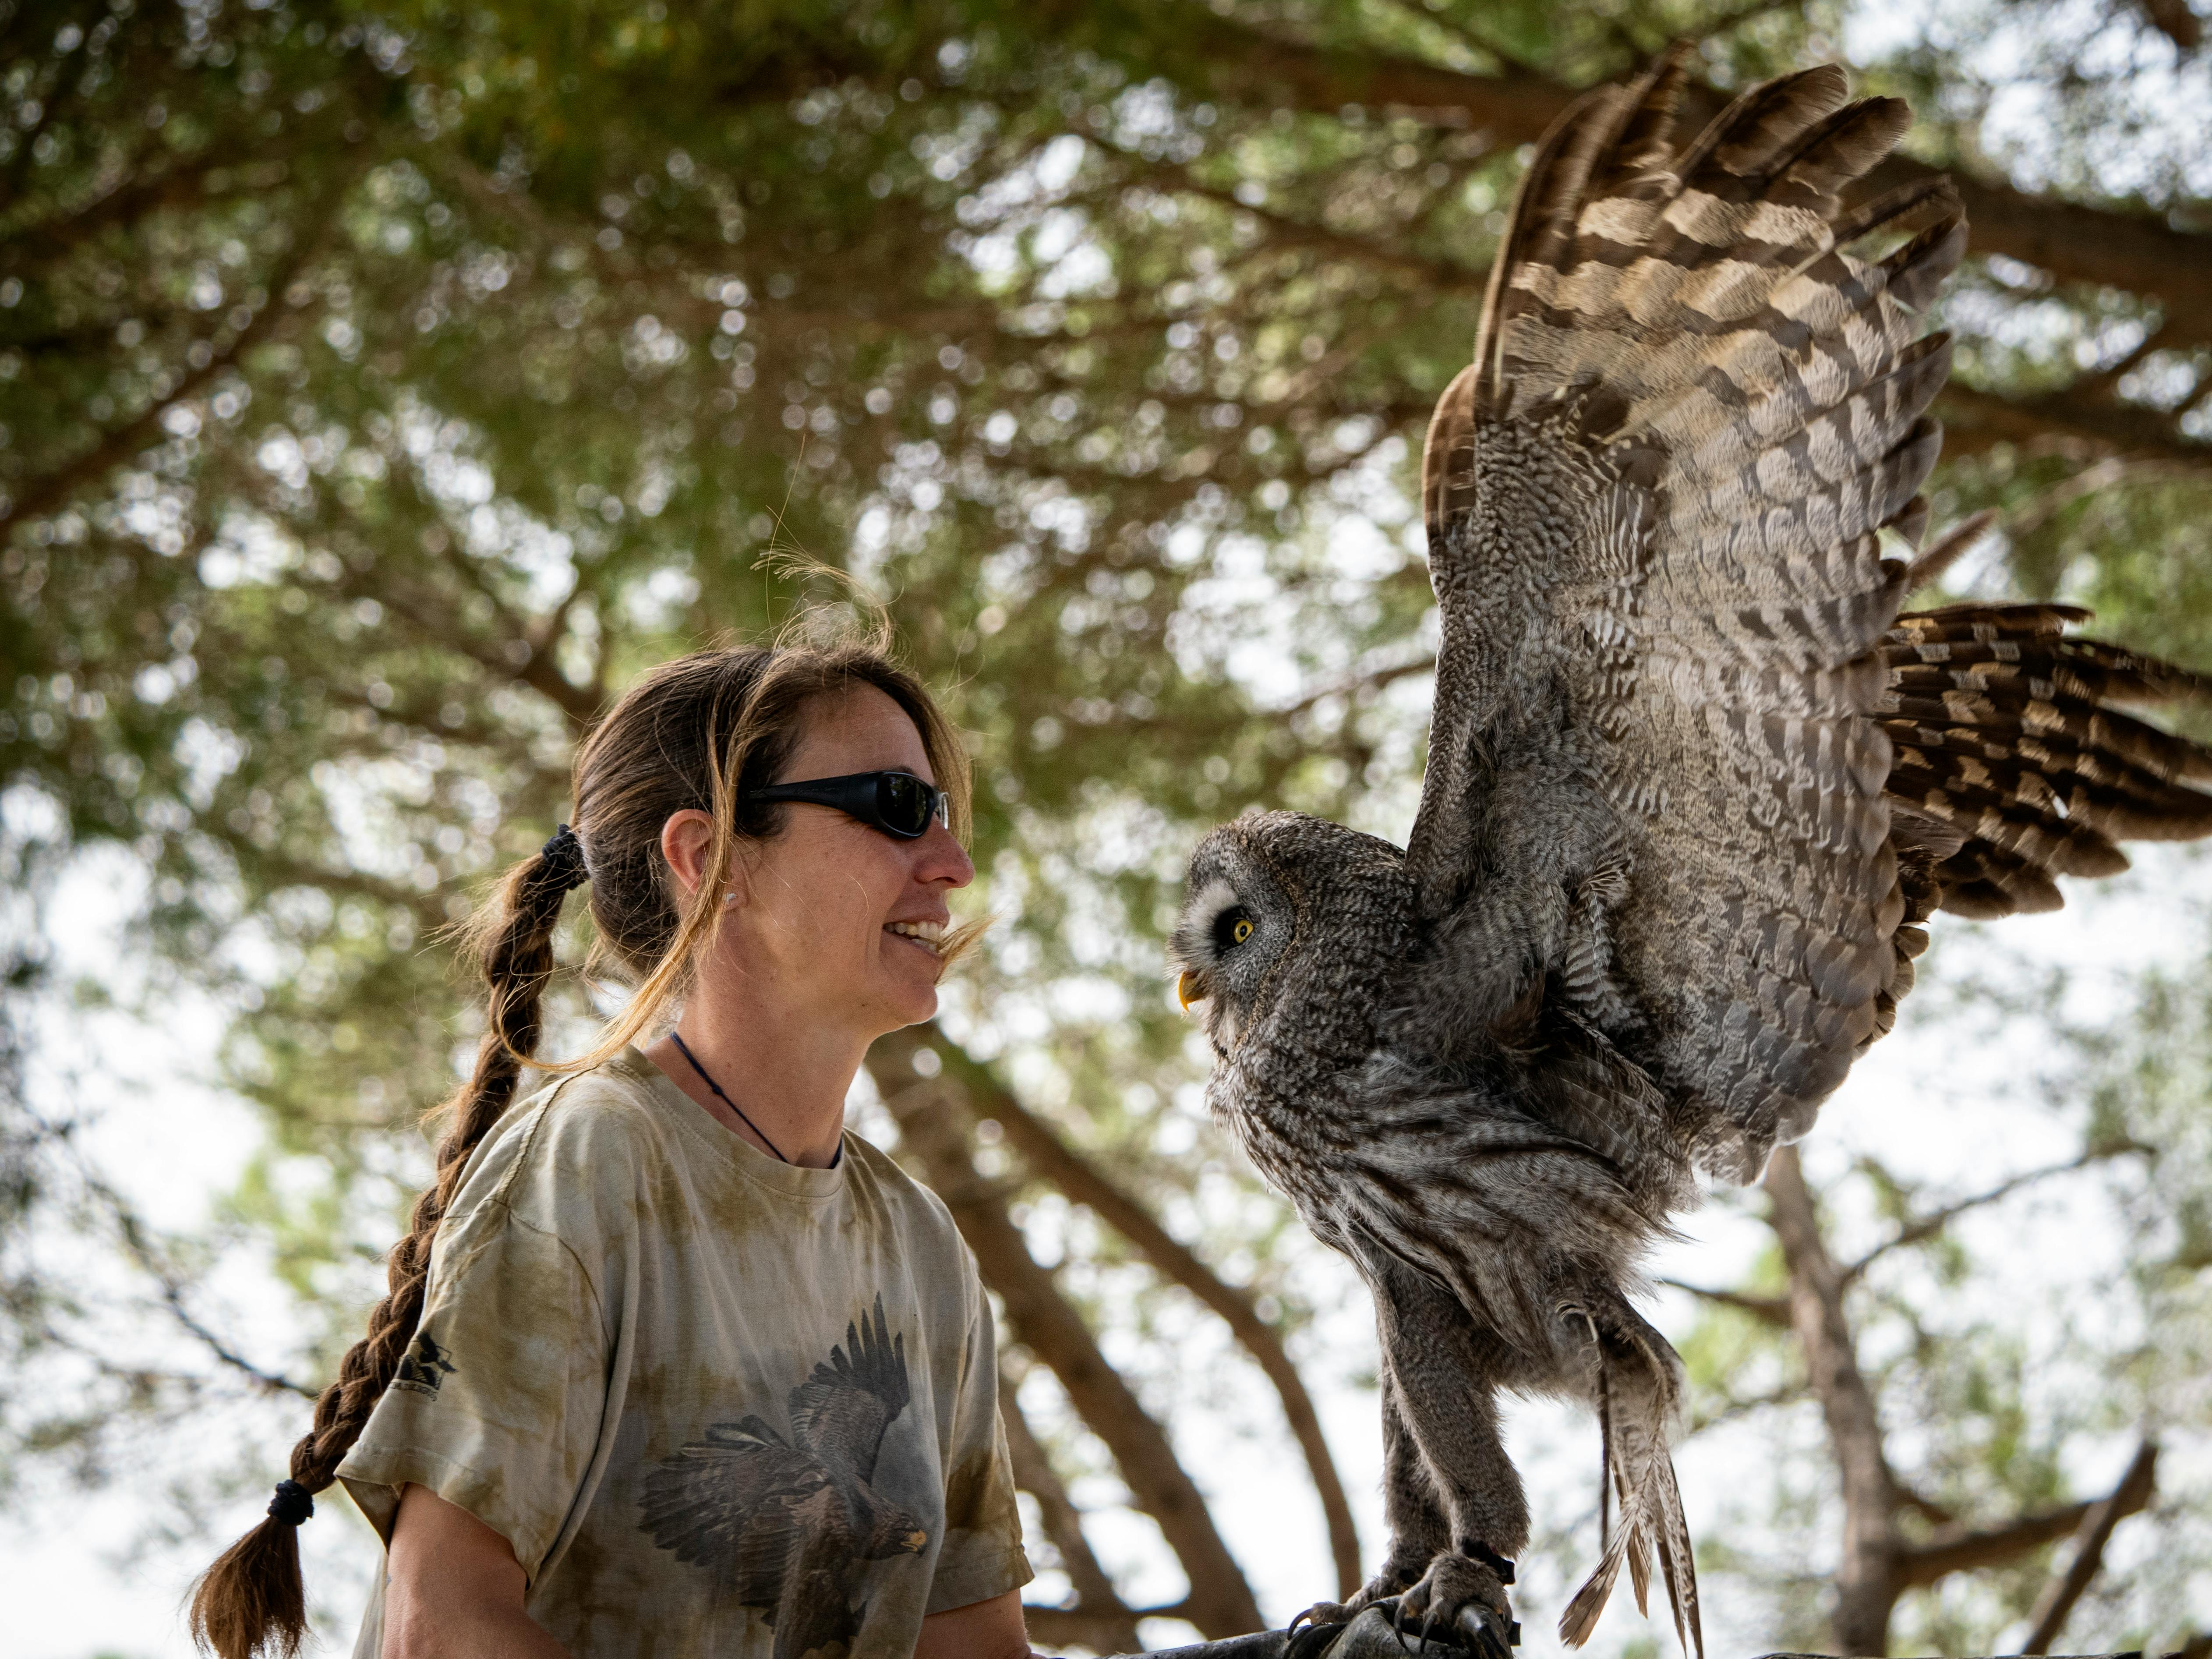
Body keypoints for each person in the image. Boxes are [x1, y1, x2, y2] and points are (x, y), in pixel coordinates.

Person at [189, 632, 1036, 1659]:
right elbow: (443, 1628)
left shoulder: (922, 1249)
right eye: (898, 807)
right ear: (709, 856)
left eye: (942, 814)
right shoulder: (591, 1162)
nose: (953, 864)